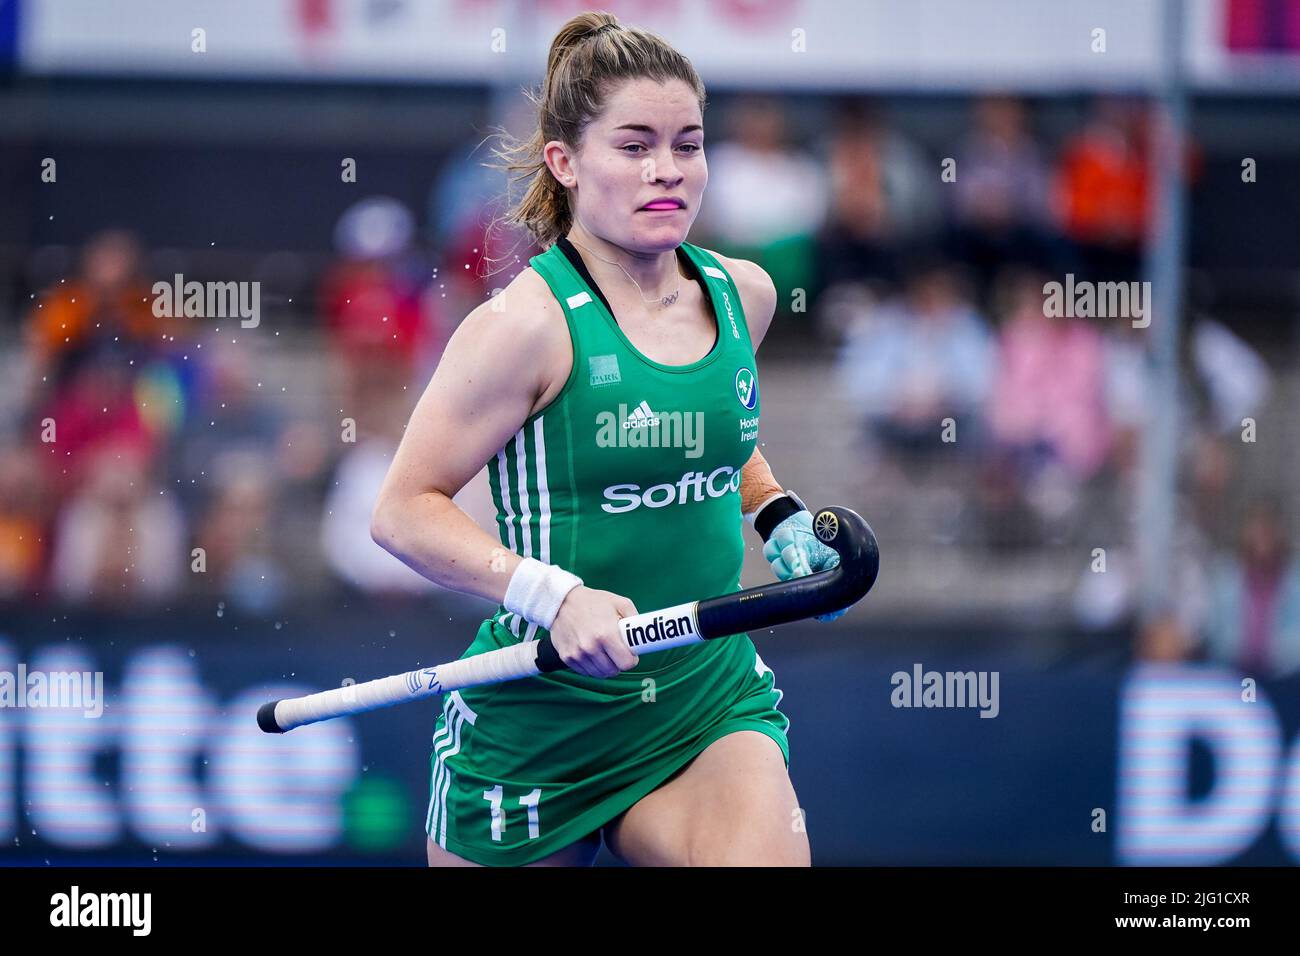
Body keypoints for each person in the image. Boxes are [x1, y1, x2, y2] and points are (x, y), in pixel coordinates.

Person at [370, 12, 854, 867]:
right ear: (565, 161)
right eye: (634, 146)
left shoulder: (746, 294)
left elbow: (713, 438)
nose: (667, 170)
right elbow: (404, 512)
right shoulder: (523, 328)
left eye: (688, 144)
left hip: (701, 697)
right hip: (539, 718)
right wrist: (554, 596)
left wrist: (775, 512)